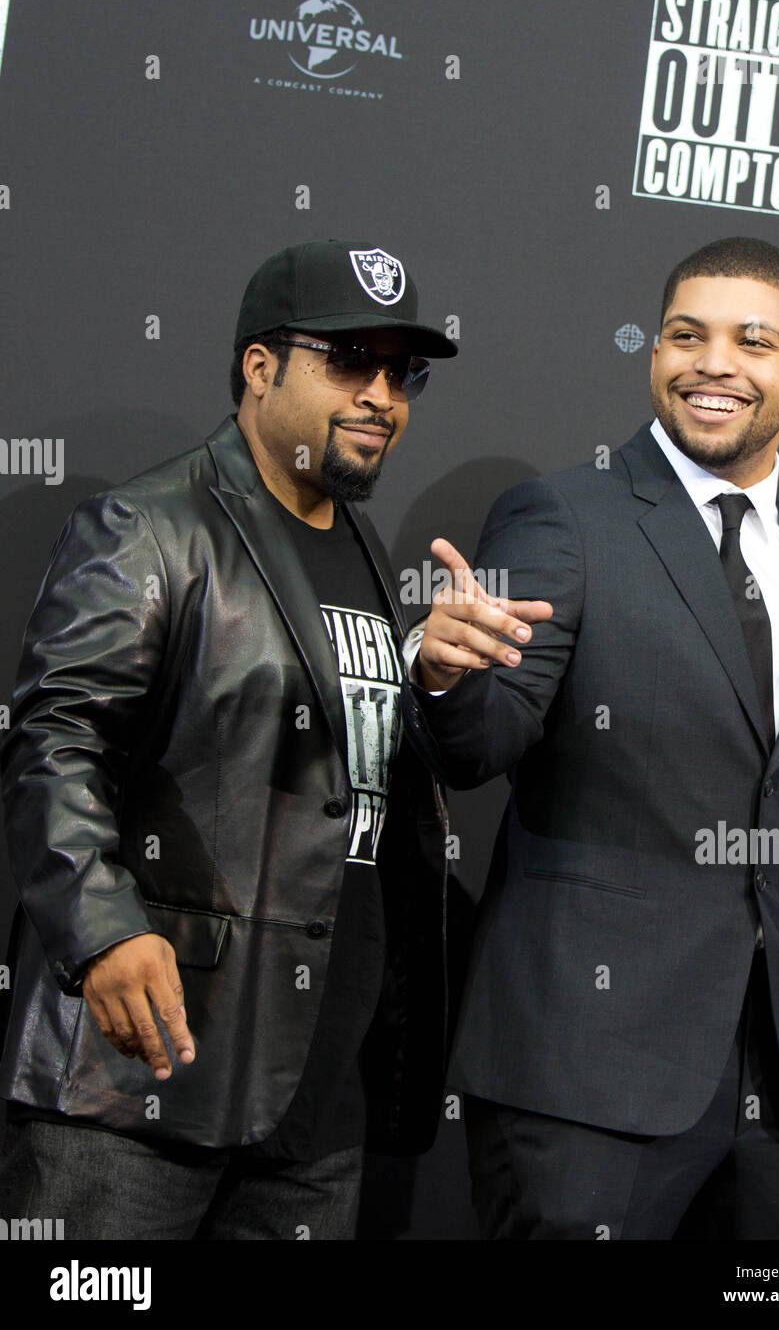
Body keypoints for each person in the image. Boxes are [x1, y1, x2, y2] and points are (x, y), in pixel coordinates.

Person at [402, 236, 779, 1240]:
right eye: (684, 335)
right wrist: (443, 674)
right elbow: (483, 741)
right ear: (650, 353)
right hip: (587, 1070)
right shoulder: (564, 517)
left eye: (750, 340)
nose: (713, 362)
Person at [0, 239, 456, 1240]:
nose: (382, 393)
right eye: (348, 360)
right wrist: (102, 927)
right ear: (259, 366)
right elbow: (54, 742)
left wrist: (426, 680)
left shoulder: (363, 551)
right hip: (146, 1084)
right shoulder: (148, 526)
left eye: (401, 371)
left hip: (316, 1095)